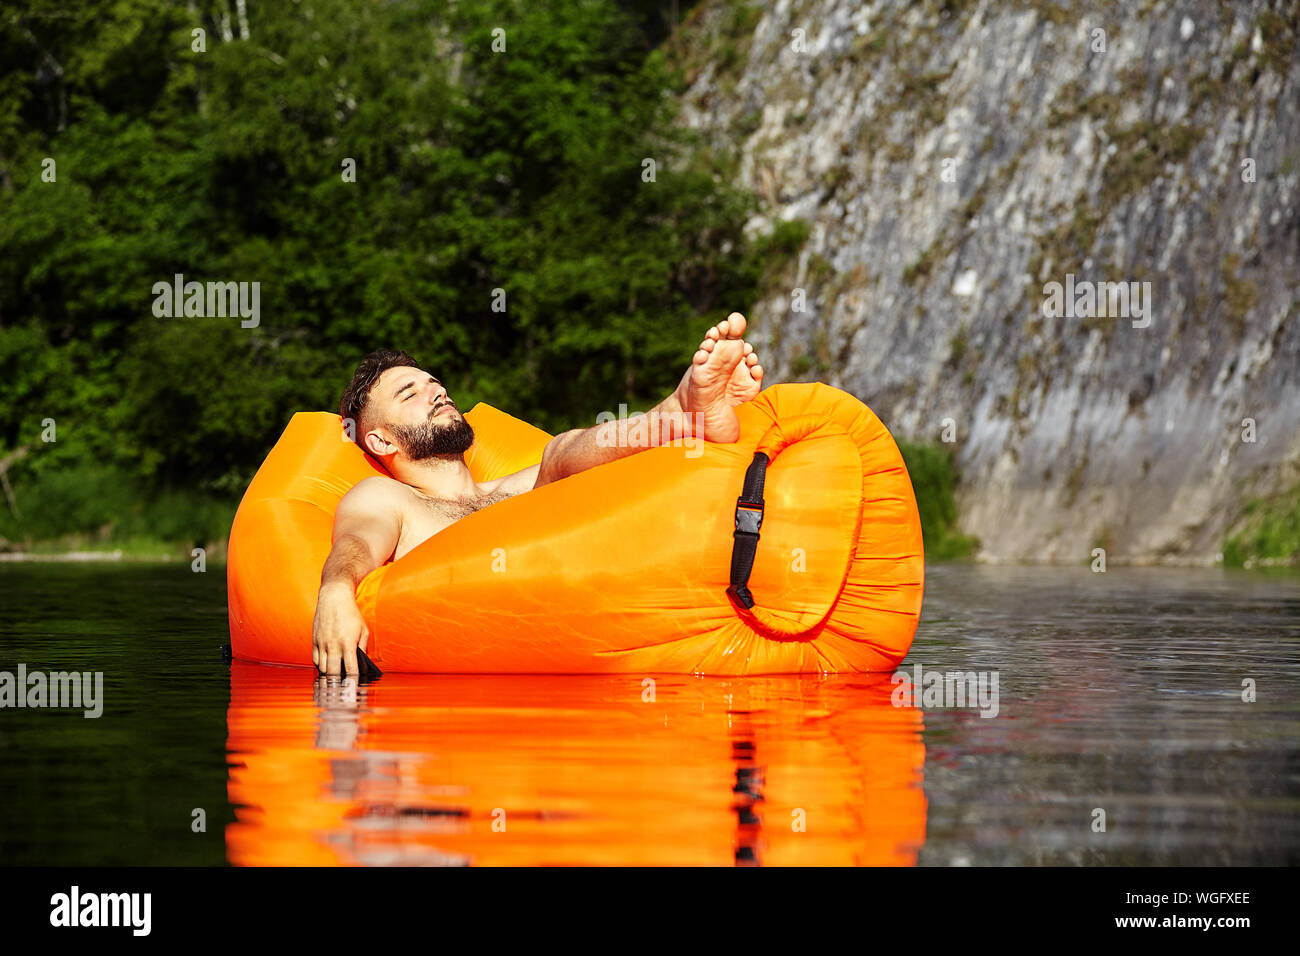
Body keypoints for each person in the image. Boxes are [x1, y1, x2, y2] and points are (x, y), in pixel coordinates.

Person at [313, 312, 765, 676]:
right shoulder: (385, 498)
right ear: (381, 442)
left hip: (603, 622)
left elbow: (600, 470)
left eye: (434, 383)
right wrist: (335, 591)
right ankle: (680, 413)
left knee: (560, 457)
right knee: (556, 459)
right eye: (409, 392)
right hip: (483, 675)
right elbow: (355, 543)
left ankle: (686, 420)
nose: (437, 392)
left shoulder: (521, 484)